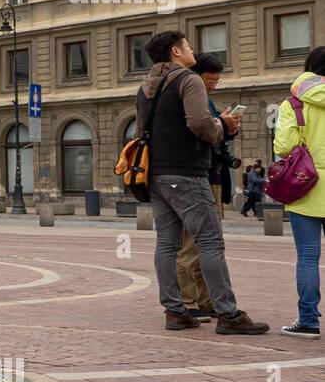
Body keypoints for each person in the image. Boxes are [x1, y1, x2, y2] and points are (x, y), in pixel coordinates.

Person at [136, 31, 265, 334]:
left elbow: (141, 130)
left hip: (155, 174)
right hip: (187, 172)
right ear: (176, 51)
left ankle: (175, 311)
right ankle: (229, 315)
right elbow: (200, 124)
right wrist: (224, 125)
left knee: (167, 244)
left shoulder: (145, 87)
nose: (192, 50)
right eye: (188, 46)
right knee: (210, 242)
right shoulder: (188, 79)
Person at [176, 53, 236, 322]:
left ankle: (204, 299)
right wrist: (221, 124)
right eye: (210, 80)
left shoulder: (205, 102)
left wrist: (226, 127)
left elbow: (213, 135)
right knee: (191, 244)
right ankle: (188, 303)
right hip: (197, 178)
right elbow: (199, 133)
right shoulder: (189, 98)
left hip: (211, 177)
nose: (213, 85)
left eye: (216, 81)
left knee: (208, 243)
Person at [274, 46, 325, 338]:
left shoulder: (293, 104)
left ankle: (308, 321)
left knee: (308, 256)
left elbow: (283, 146)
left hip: (307, 186)